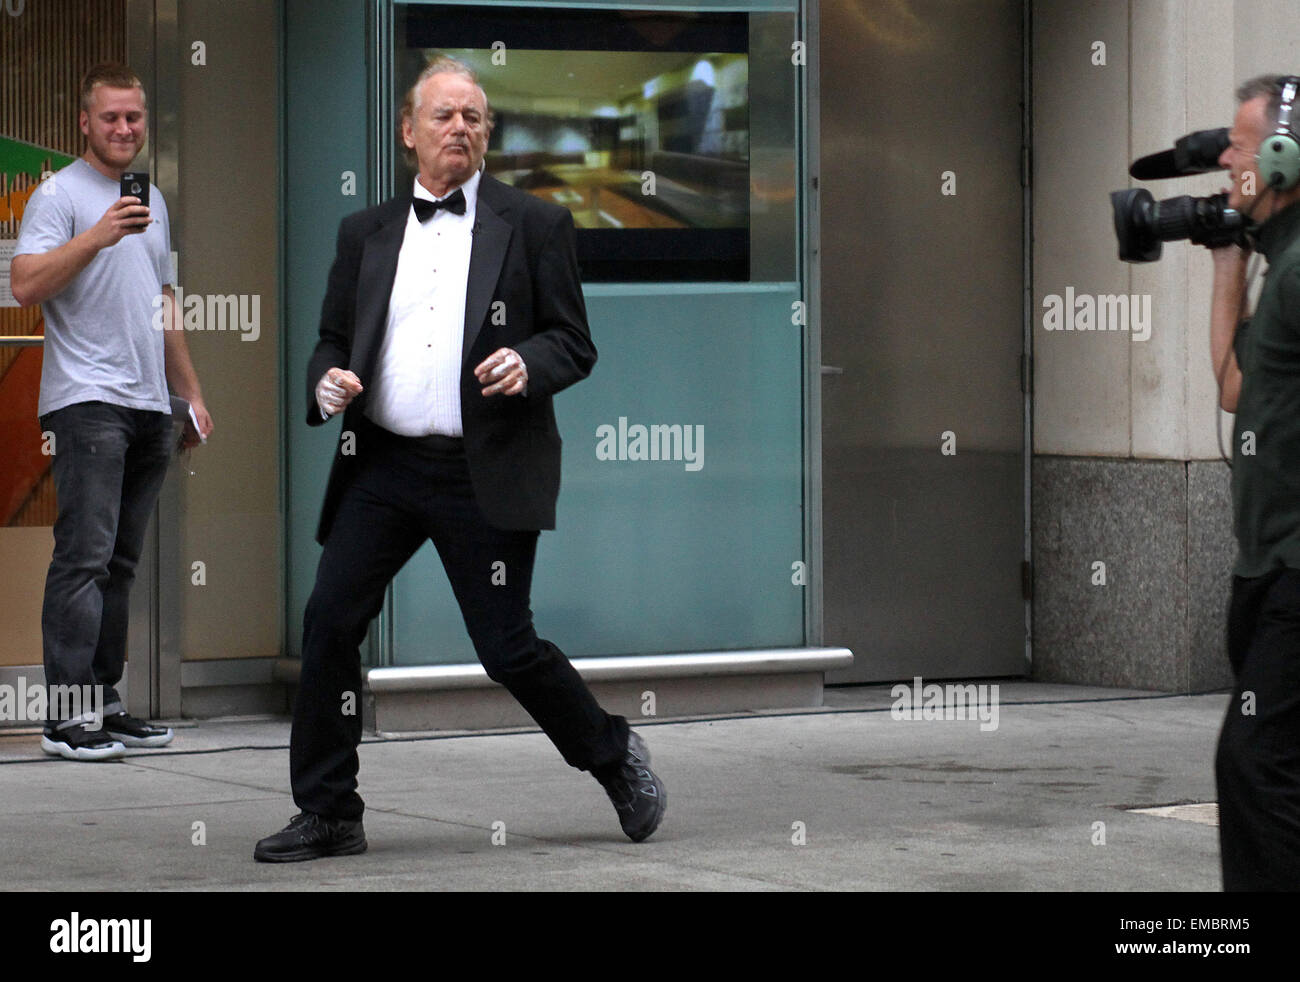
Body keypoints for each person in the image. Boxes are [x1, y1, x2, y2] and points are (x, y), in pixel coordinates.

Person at [254, 57, 664, 862]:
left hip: (484, 467)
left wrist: (528, 365)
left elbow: (573, 342)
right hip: (383, 466)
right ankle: (331, 810)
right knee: (331, 621)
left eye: (474, 117)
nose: (460, 129)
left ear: (487, 136)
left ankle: (613, 755)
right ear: (409, 133)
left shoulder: (535, 224)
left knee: (507, 648)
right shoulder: (364, 233)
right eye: (444, 116)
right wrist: (327, 381)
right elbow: (334, 339)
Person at [10, 63, 213, 762]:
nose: (124, 129)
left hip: (147, 403)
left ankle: (105, 703)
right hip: (87, 402)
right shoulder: (58, 195)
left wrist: (187, 395)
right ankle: (63, 719)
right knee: (84, 559)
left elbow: (164, 304)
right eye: (110, 118)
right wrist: (97, 234)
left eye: (134, 118)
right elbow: (23, 284)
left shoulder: (151, 197)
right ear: (84, 123)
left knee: (121, 564)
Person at [1210, 73, 1300, 890]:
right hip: (1266, 564)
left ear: (1281, 154)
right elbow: (1235, 387)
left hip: (1297, 572)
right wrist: (1224, 260)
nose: (1227, 159)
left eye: (1238, 145)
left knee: (1253, 761)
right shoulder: (1280, 260)